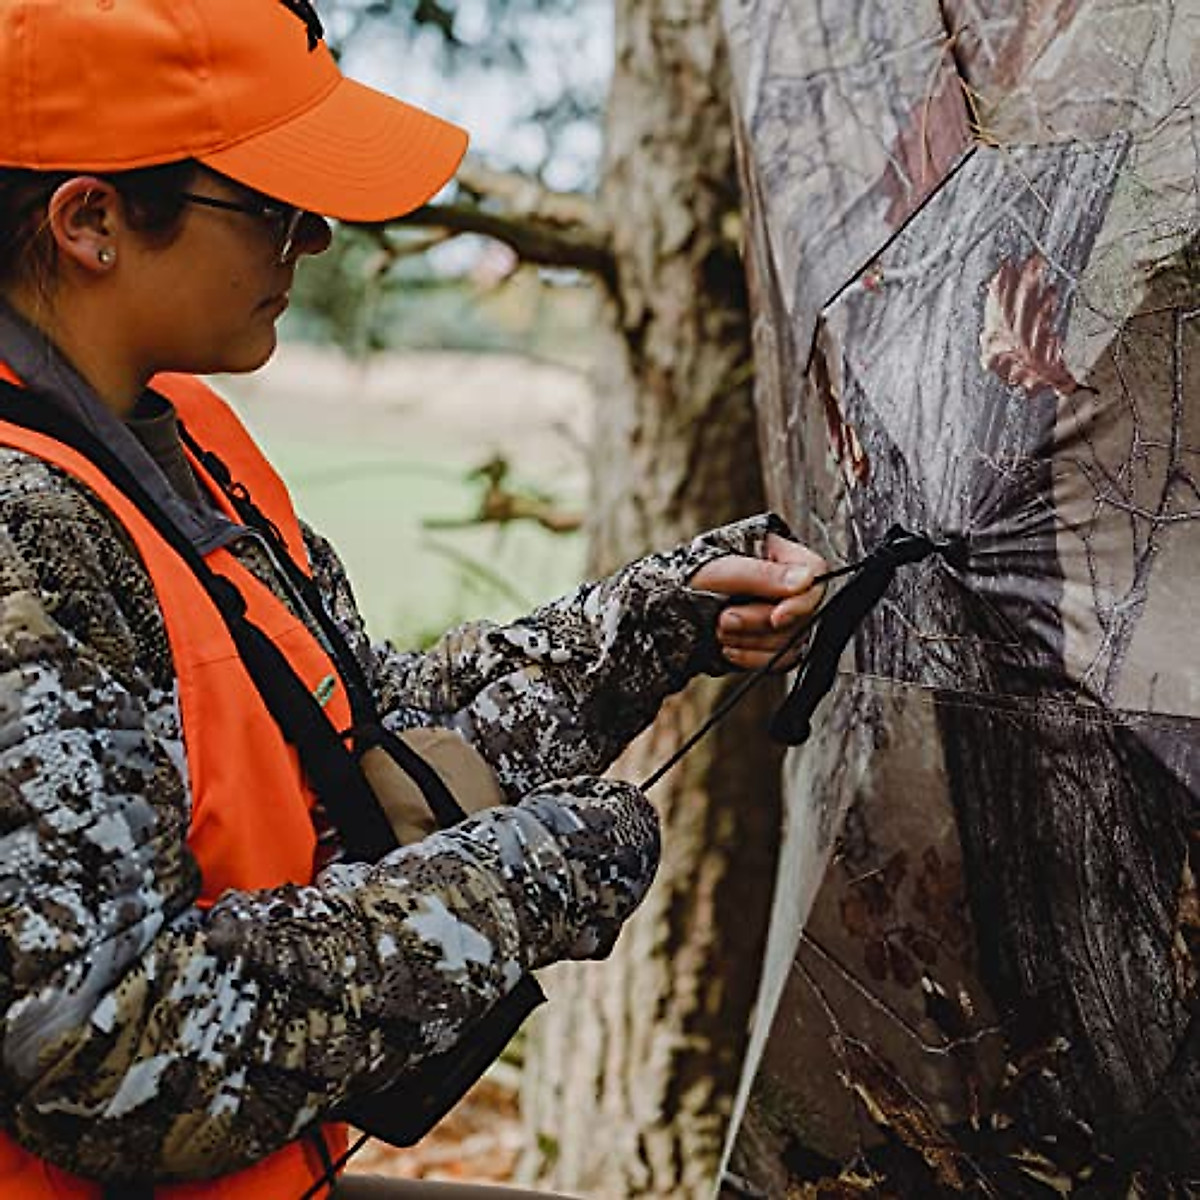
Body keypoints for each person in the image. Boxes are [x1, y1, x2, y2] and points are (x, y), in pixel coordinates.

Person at [0, 1, 826, 1197]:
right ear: (92, 221)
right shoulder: (22, 536)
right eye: (274, 205)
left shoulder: (183, 441)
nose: (318, 239)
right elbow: (103, 1055)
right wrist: (519, 885)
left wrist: (654, 623)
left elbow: (362, 739)